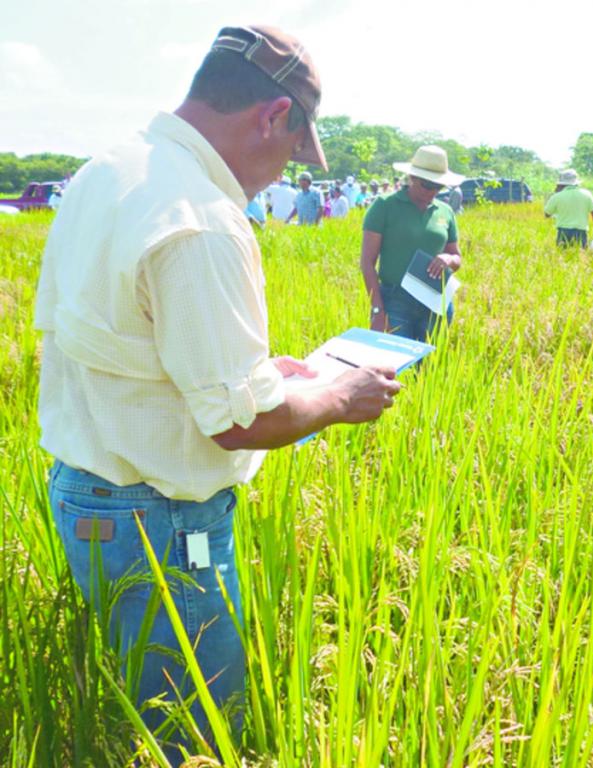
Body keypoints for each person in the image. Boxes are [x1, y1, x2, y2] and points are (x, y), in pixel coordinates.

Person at [33, 24, 401, 762]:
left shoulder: (113, 168)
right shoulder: (200, 215)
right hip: (160, 520)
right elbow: (242, 424)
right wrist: (343, 395)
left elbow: (140, 342)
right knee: (196, 730)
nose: (276, 174)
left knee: (149, 701)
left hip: (88, 492)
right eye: (292, 150)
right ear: (272, 116)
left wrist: (272, 369)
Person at [360, 145, 464, 342]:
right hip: (396, 299)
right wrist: (377, 310)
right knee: (396, 364)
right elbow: (367, 263)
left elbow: (457, 258)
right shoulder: (384, 206)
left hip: (436, 297)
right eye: (426, 184)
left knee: (430, 363)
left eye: (438, 186)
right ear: (412, 178)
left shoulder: (445, 211)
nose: (431, 191)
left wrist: (448, 259)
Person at [543, 169, 593, 247]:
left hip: (563, 232)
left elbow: (547, 214)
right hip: (581, 232)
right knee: (580, 256)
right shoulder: (587, 195)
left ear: (561, 184)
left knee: (563, 257)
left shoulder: (557, 196)